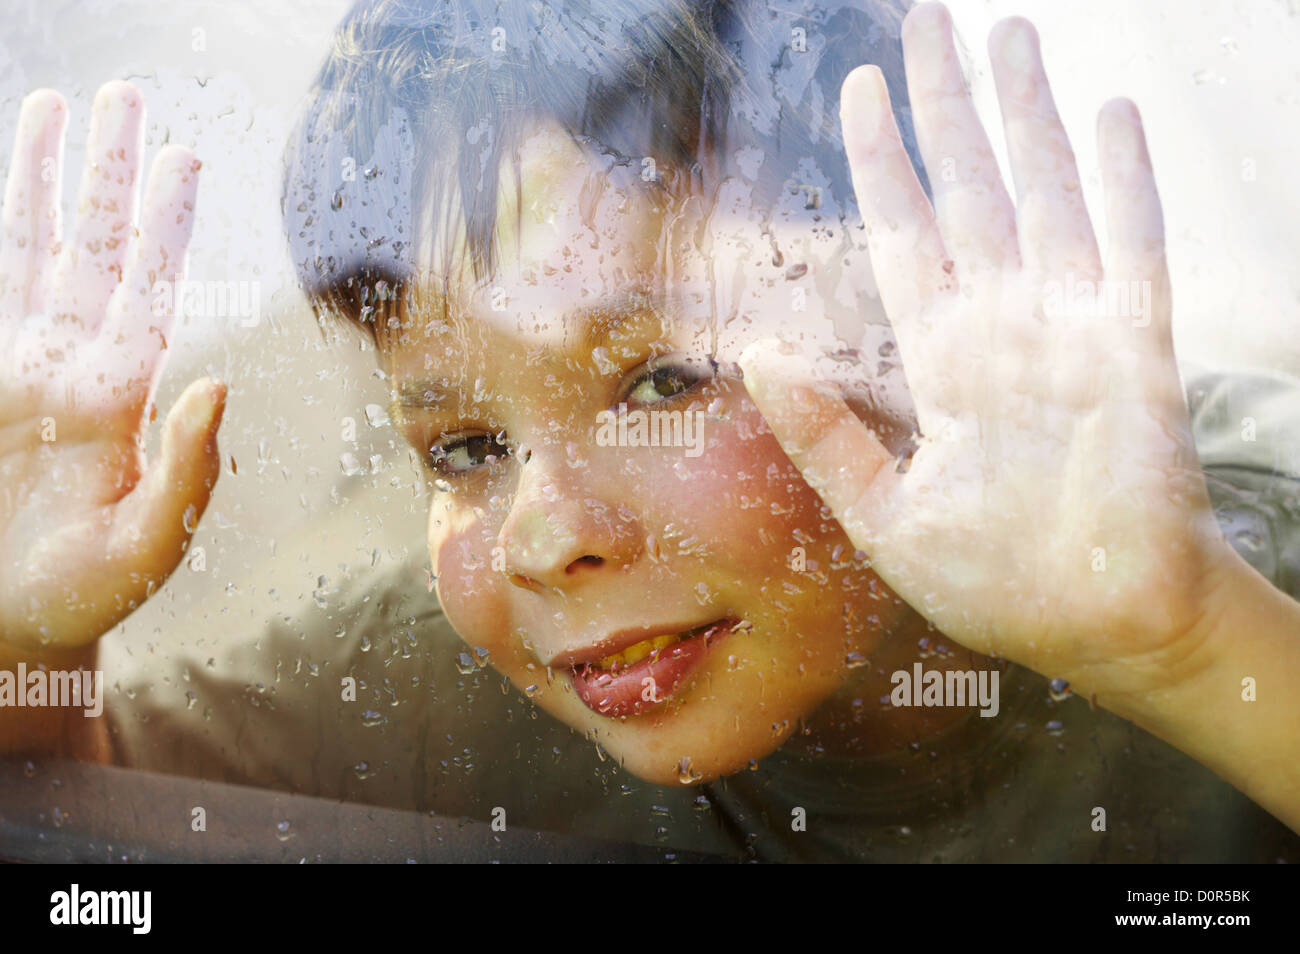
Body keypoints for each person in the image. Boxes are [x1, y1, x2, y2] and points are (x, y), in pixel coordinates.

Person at [1, 0, 1298, 862]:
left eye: (662, 382)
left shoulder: (1244, 551)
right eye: (464, 448)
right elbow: (80, 809)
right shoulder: (430, 674)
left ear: (915, 302)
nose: (549, 535)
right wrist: (28, 638)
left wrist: (1184, 649)